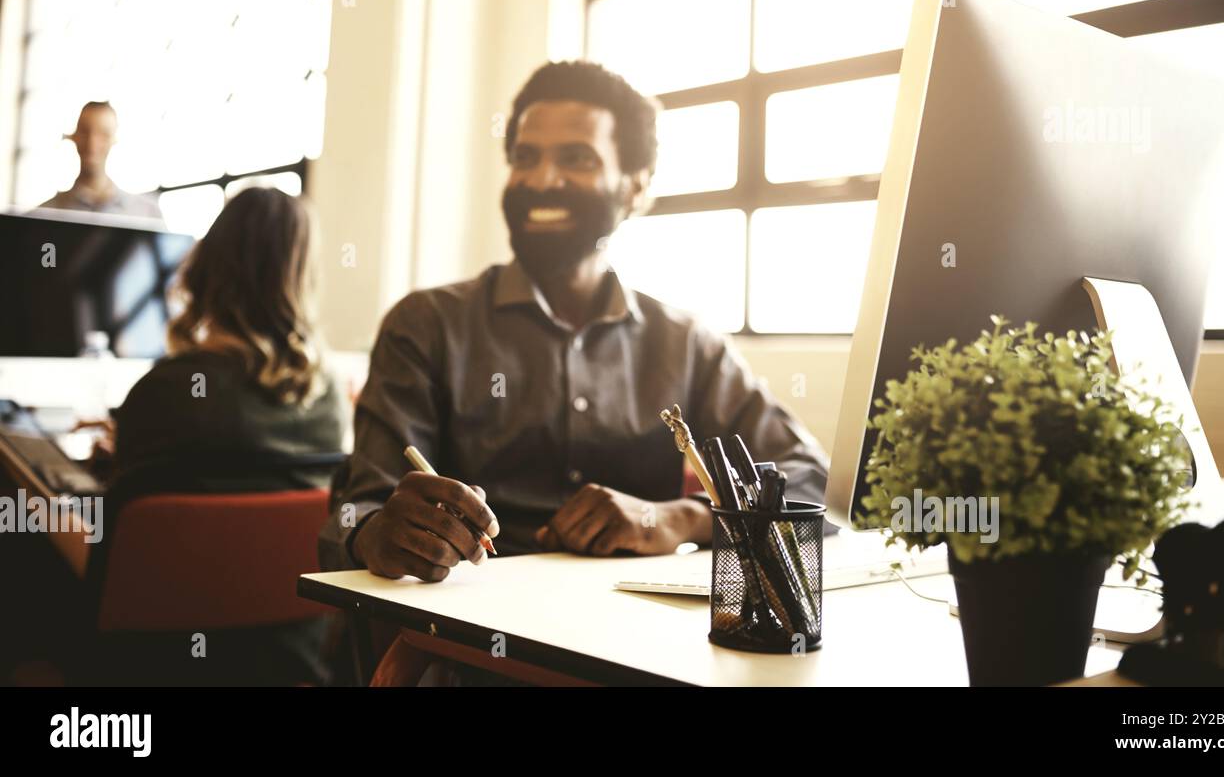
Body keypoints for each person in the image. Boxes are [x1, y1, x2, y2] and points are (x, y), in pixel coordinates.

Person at [320, 61, 828, 588]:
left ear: (636, 188)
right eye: (525, 157)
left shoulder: (684, 343)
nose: (542, 180)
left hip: (637, 646)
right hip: (466, 646)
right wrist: (383, 533)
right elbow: (355, 516)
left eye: (576, 159)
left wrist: (676, 519)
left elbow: (811, 480)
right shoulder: (425, 326)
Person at [85, 187, 347, 685]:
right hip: (291, 662)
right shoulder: (330, 394)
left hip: (150, 667)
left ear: (210, 265)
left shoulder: (161, 390)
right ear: (302, 276)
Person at [39, 101, 162, 219]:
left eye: (104, 134)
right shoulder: (44, 215)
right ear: (73, 137)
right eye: (84, 132)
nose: (92, 144)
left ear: (114, 139)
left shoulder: (148, 214)